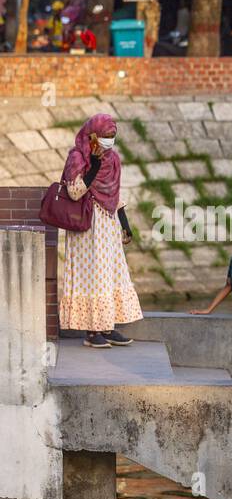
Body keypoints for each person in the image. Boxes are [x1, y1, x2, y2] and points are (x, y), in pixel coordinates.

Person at [59, 114, 143, 348]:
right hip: (87, 225)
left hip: (108, 224)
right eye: (105, 137)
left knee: (109, 274)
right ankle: (91, 332)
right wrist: (93, 167)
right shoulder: (77, 157)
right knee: (92, 275)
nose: (109, 142)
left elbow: (115, 194)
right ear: (93, 135)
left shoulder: (113, 158)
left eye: (112, 137)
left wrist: (125, 224)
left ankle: (107, 327)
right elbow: (75, 192)